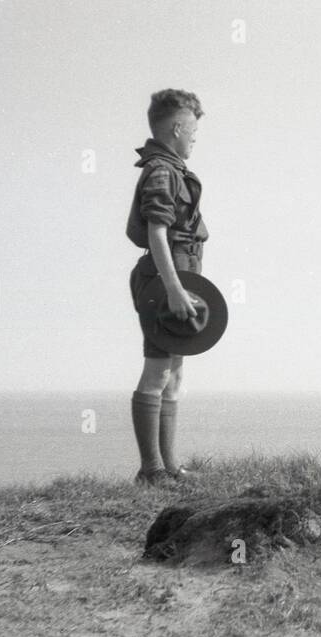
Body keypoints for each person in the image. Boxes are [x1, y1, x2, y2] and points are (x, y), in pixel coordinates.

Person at [126, 89, 210, 486]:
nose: (195, 137)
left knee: (174, 375)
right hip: (164, 281)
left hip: (175, 278)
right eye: (192, 129)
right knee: (157, 373)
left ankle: (169, 466)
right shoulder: (163, 171)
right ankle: (151, 470)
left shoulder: (172, 168)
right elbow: (157, 234)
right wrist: (174, 289)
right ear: (177, 127)